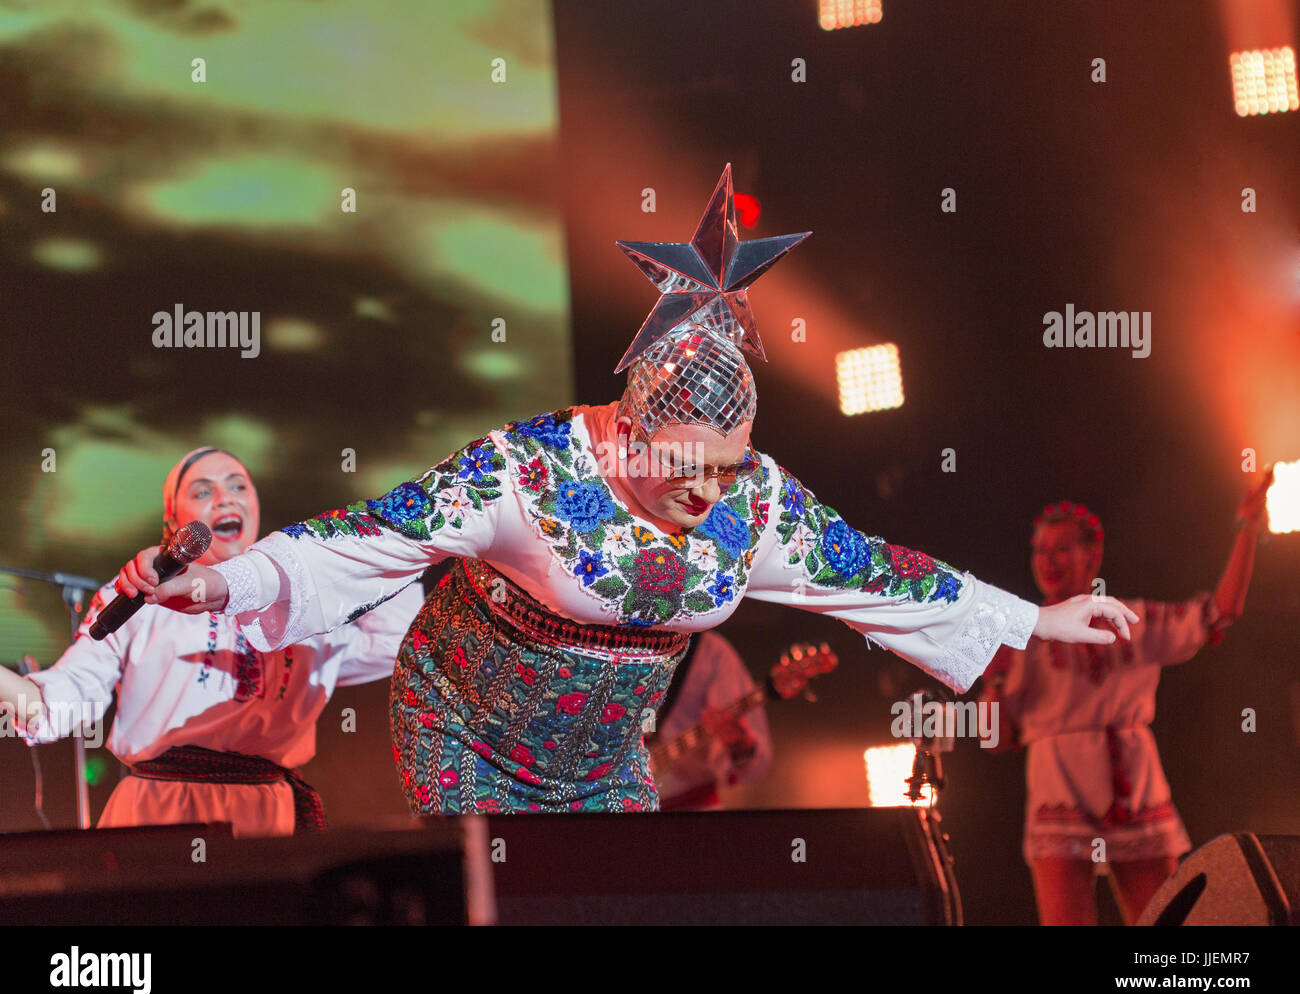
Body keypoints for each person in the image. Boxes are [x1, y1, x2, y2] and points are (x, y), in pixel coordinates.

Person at [111, 165, 1138, 816]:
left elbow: (875, 573)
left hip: (606, 767)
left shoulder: (755, 503)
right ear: (629, 432)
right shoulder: (526, 471)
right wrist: (212, 585)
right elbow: (359, 539)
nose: (706, 493)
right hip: (462, 736)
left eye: (726, 465)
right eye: (682, 466)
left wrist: (1032, 618)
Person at [0, 447, 422, 836]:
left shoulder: (303, 604)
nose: (225, 498)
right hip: (158, 813)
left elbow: (393, 642)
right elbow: (59, 701)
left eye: (238, 486)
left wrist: (369, 531)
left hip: (268, 818)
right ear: (172, 521)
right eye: (203, 491)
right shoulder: (137, 597)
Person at [978, 476, 1273, 925]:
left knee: (1165, 926)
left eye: (1062, 549)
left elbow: (1220, 611)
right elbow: (994, 740)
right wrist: (995, 682)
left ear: (1092, 556)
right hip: (1059, 790)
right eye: (1041, 551)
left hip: (1135, 788)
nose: (1049, 561)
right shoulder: (1023, 634)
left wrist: (1248, 525)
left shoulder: (1132, 619)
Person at [646, 631, 772, 811]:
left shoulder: (711, 651)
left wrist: (740, 746)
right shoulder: (611, 642)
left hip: (691, 809)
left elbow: (754, 767)